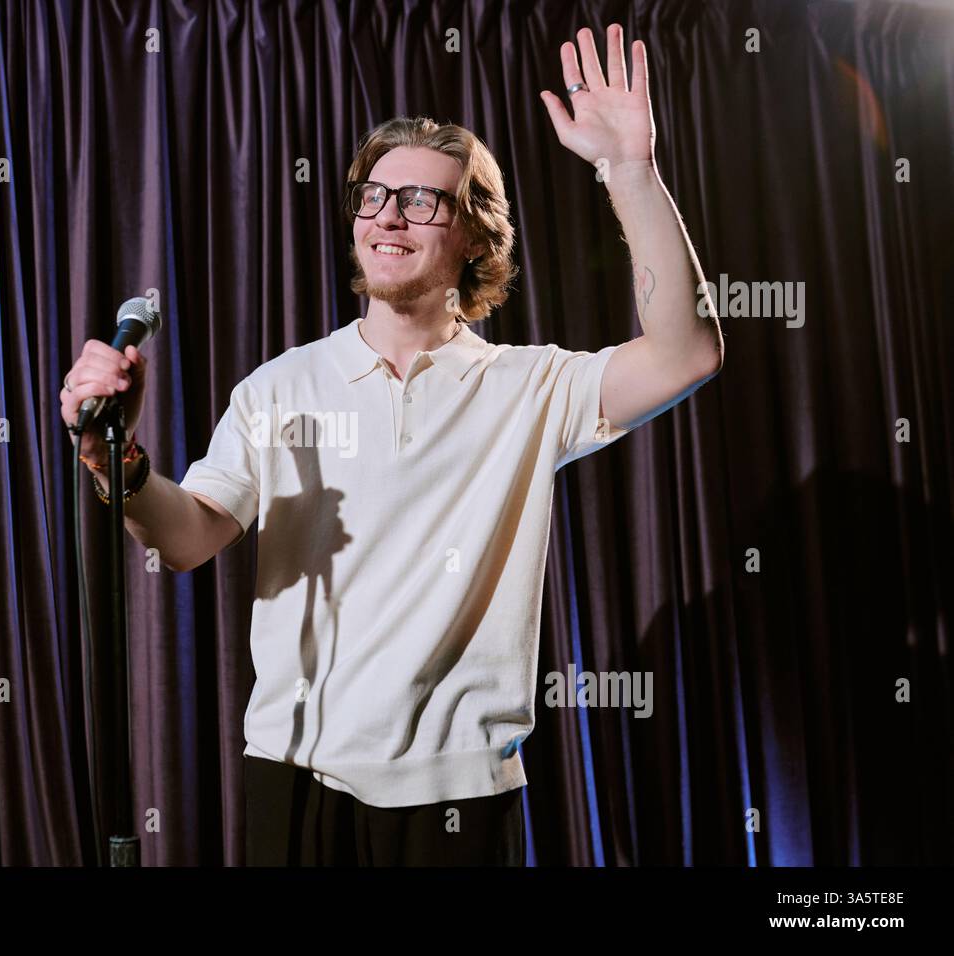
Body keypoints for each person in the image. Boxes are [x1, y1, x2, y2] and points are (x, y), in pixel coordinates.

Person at [59, 24, 722, 866]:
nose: (389, 216)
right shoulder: (280, 386)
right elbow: (186, 538)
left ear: (476, 235)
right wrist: (123, 467)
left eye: (421, 200)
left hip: (461, 795)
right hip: (296, 776)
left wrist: (628, 170)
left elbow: (687, 352)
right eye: (374, 196)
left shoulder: (528, 386)